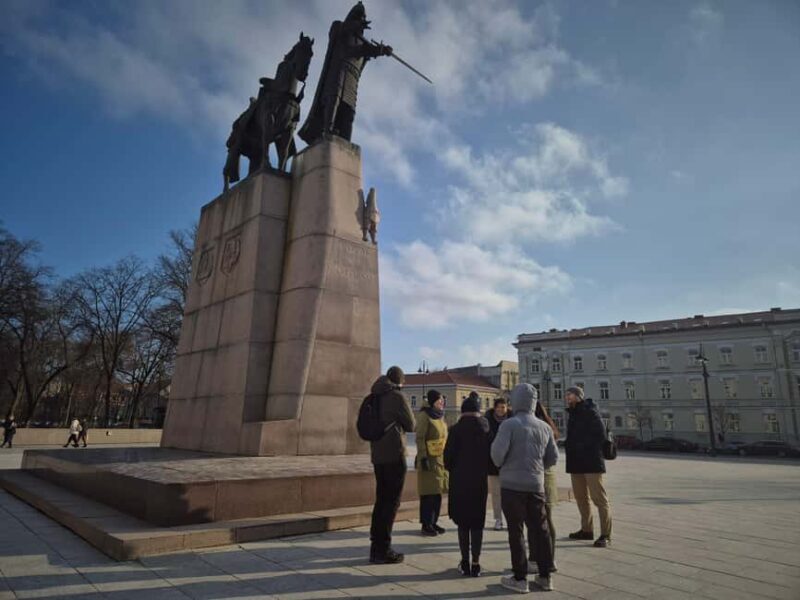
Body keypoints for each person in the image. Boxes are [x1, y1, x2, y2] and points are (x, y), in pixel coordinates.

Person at [491, 383, 558, 593]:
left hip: (512, 486)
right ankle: (545, 575)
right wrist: (536, 469)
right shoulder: (545, 427)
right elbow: (552, 458)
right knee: (541, 529)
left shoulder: (509, 425)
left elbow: (496, 456)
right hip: (536, 485)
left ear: (516, 401)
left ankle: (520, 578)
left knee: (516, 531)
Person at [368, 366, 415, 564]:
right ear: (400, 381)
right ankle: (383, 549)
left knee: (381, 501)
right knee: (391, 502)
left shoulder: (374, 395)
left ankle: (375, 547)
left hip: (377, 455)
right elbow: (411, 424)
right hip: (394, 455)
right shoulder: (396, 396)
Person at [444, 394, 490, 577]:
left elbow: (447, 459)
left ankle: (464, 562)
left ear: (463, 412)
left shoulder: (455, 430)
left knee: (463, 523)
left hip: (460, 482)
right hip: (479, 482)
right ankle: (476, 563)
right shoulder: (486, 429)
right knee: (477, 523)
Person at [564, 386, 613, 548]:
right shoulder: (572, 413)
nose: (567, 398)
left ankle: (606, 534)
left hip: (591, 461)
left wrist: (579, 445)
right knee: (581, 498)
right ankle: (586, 530)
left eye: (569, 395)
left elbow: (600, 435)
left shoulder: (590, 411)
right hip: (576, 462)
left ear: (578, 396)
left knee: (599, 499)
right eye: (566, 395)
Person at [530, 401, 561, 573]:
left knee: (537, 522)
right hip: (548, 477)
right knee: (546, 520)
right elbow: (553, 457)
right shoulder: (548, 426)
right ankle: (549, 559)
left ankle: (538, 559)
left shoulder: (533, 427)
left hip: (536, 478)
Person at [415, 389, 449, 536]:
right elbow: (420, 437)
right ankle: (426, 524)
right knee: (428, 493)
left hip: (440, 459)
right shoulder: (425, 415)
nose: (441, 402)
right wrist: (423, 457)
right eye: (438, 400)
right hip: (428, 459)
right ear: (431, 401)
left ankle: (434, 521)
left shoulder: (440, 416)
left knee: (437, 493)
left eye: (442, 400)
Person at [485, 395, 513, 530]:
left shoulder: (513, 420)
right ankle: (498, 519)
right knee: (496, 493)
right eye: (499, 407)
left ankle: (511, 518)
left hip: (510, 463)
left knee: (510, 492)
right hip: (493, 462)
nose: (501, 410)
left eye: (503, 407)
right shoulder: (488, 421)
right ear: (494, 408)